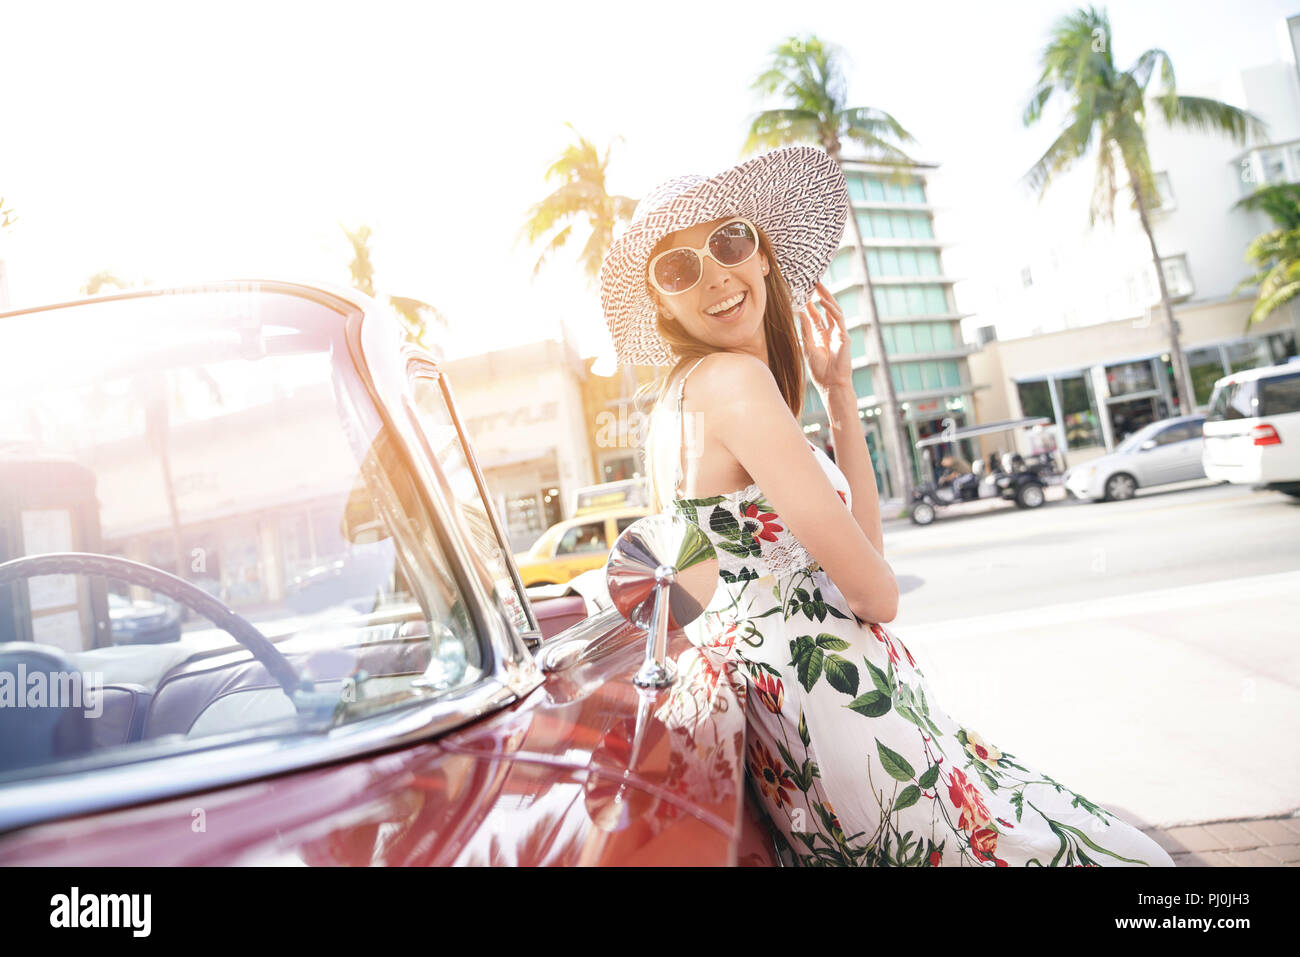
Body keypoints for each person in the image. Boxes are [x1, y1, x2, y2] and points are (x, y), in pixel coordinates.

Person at [598, 145, 1173, 867]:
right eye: (678, 268)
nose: (714, 275)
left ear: (763, 252)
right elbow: (875, 590)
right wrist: (869, 581)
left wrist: (840, 395)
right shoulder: (737, 383)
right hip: (845, 713)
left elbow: (861, 557)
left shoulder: (679, 403)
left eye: (729, 240)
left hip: (803, 726)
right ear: (662, 300)